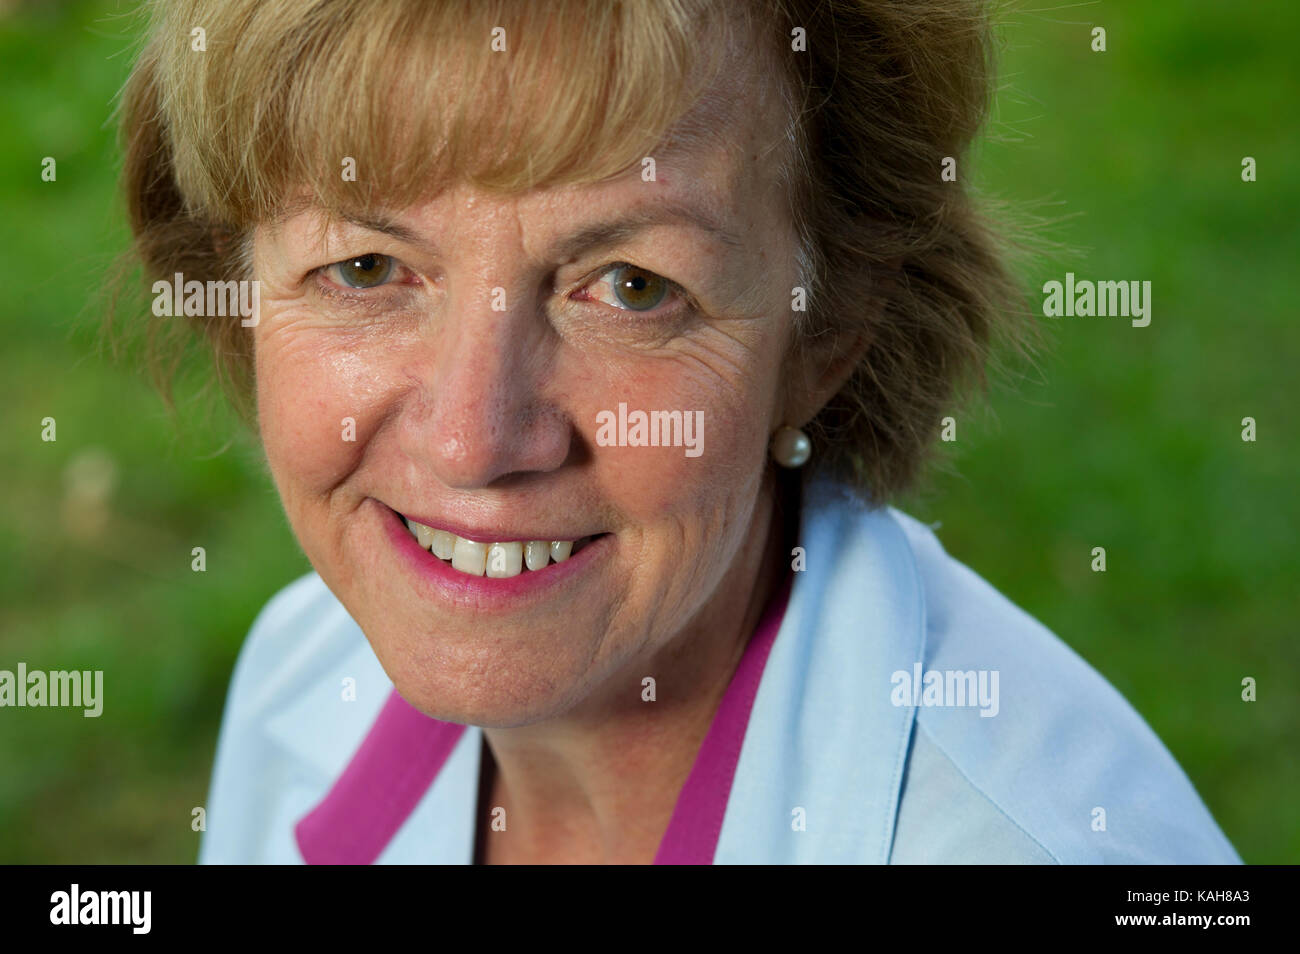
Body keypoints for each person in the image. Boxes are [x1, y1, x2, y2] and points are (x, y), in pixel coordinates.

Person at [116, 0, 1240, 863]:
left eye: (631, 287)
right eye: (365, 268)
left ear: (823, 339)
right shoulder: (302, 675)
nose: (473, 439)